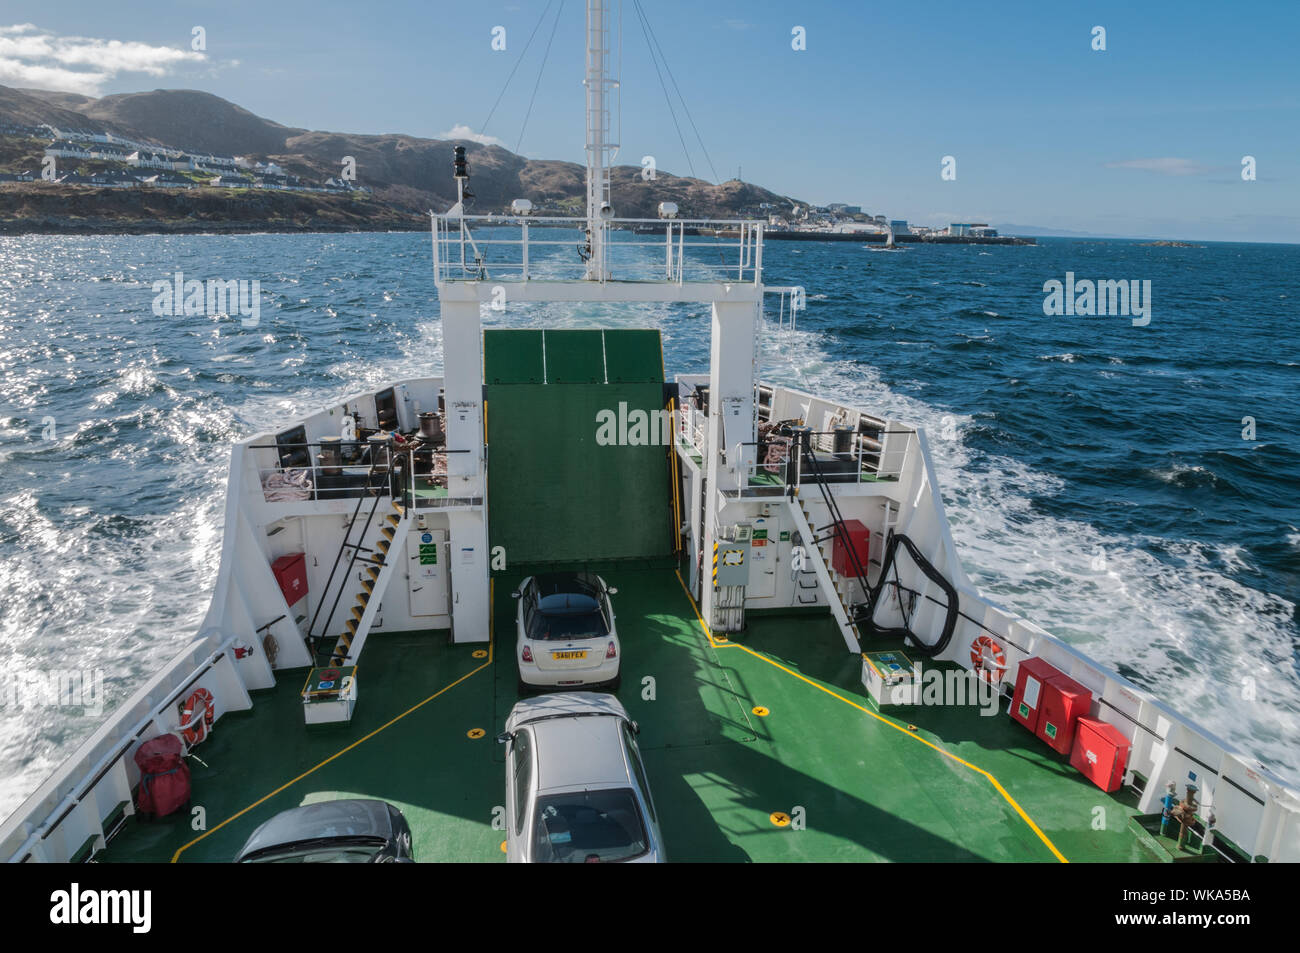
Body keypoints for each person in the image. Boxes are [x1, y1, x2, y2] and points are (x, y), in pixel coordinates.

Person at [1169, 783, 1199, 849]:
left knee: (1184, 826)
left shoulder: (1185, 812)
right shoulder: (1182, 810)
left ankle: (1180, 844)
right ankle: (1181, 844)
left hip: (1185, 815)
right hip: (1184, 814)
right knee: (1184, 825)